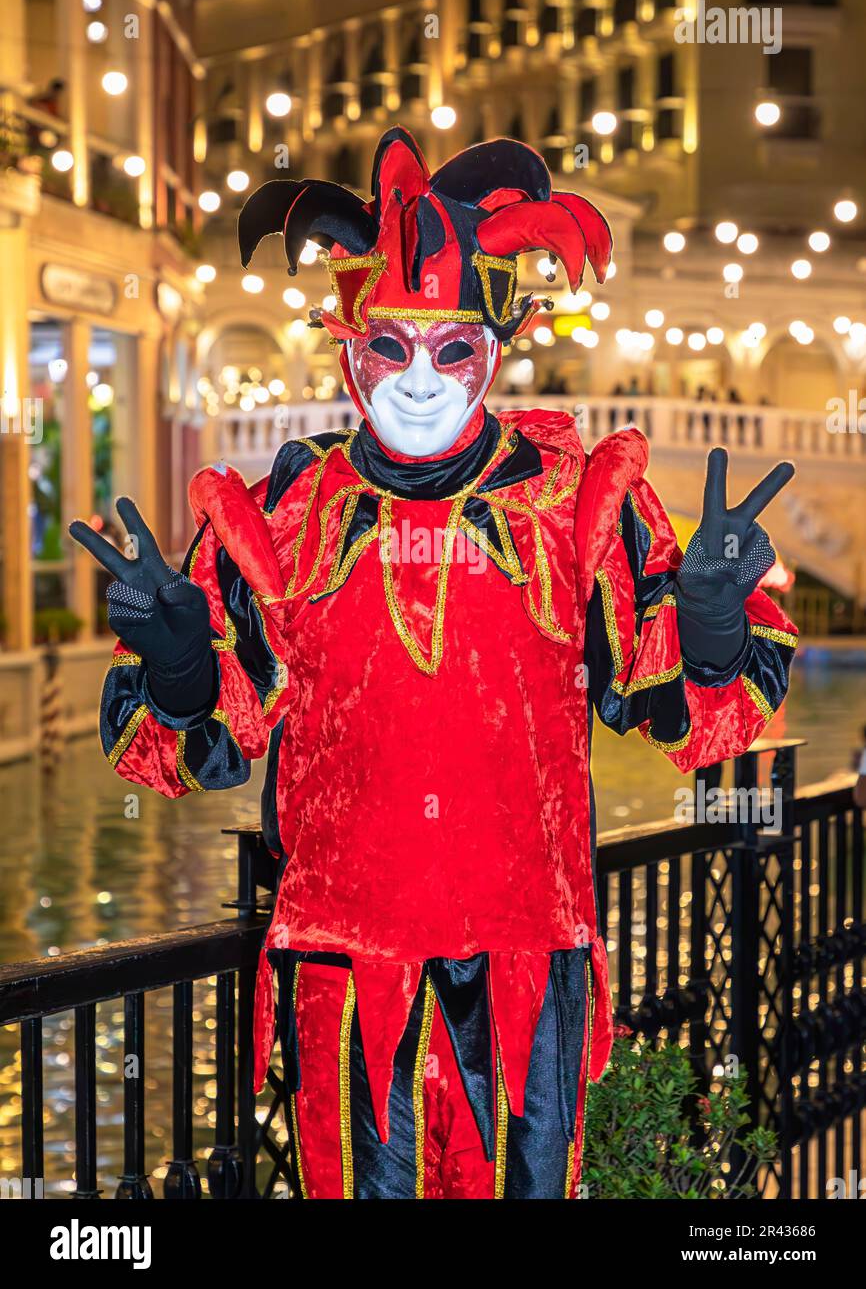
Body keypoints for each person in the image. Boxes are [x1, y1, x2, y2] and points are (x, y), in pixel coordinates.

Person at [70, 127, 798, 1200]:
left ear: (496, 346)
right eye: (388, 349)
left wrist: (710, 628)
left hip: (523, 958)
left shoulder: (574, 505)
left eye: (450, 347)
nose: (418, 379)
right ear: (346, 349)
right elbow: (201, 753)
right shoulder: (285, 514)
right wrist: (180, 666)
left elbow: (686, 719)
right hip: (346, 967)